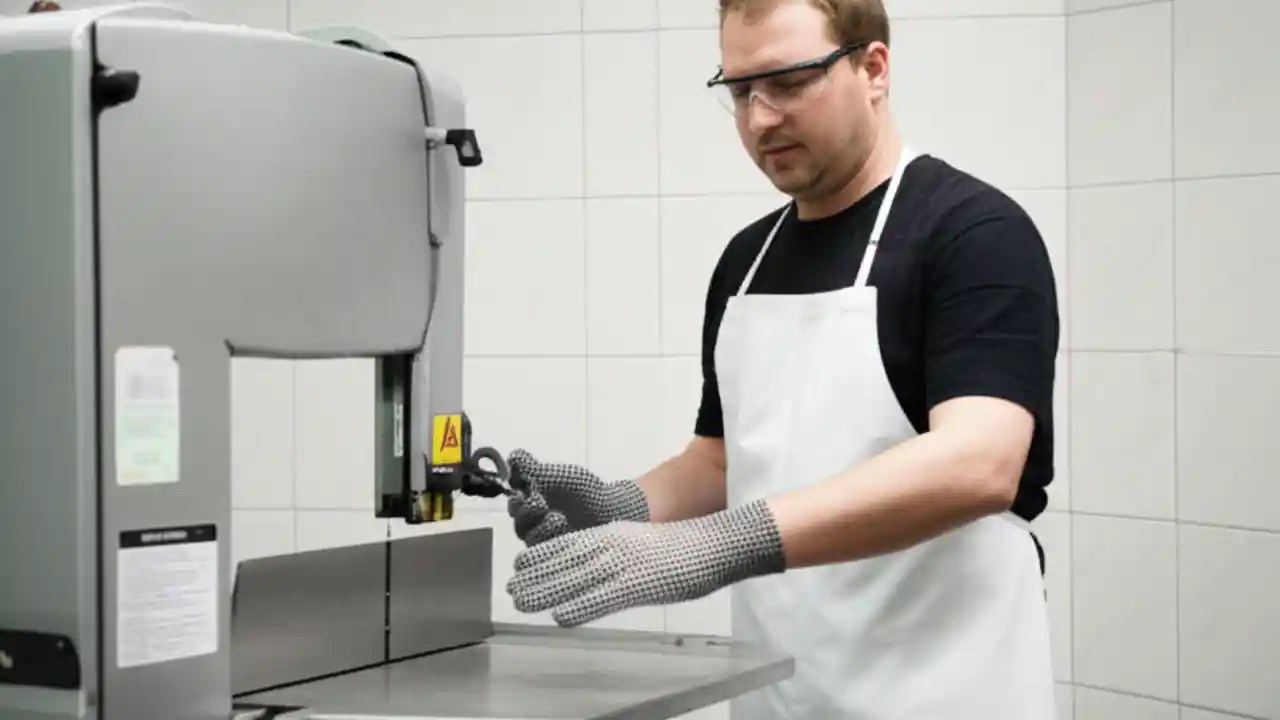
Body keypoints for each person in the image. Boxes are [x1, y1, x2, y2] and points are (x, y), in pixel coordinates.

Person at [503, 0, 1059, 717]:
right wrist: (624, 506)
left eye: (790, 81)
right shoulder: (747, 260)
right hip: (782, 698)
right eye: (740, 91)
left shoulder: (973, 234)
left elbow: (978, 465)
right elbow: (720, 461)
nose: (761, 118)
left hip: (947, 692)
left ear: (874, 68)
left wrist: (721, 545)